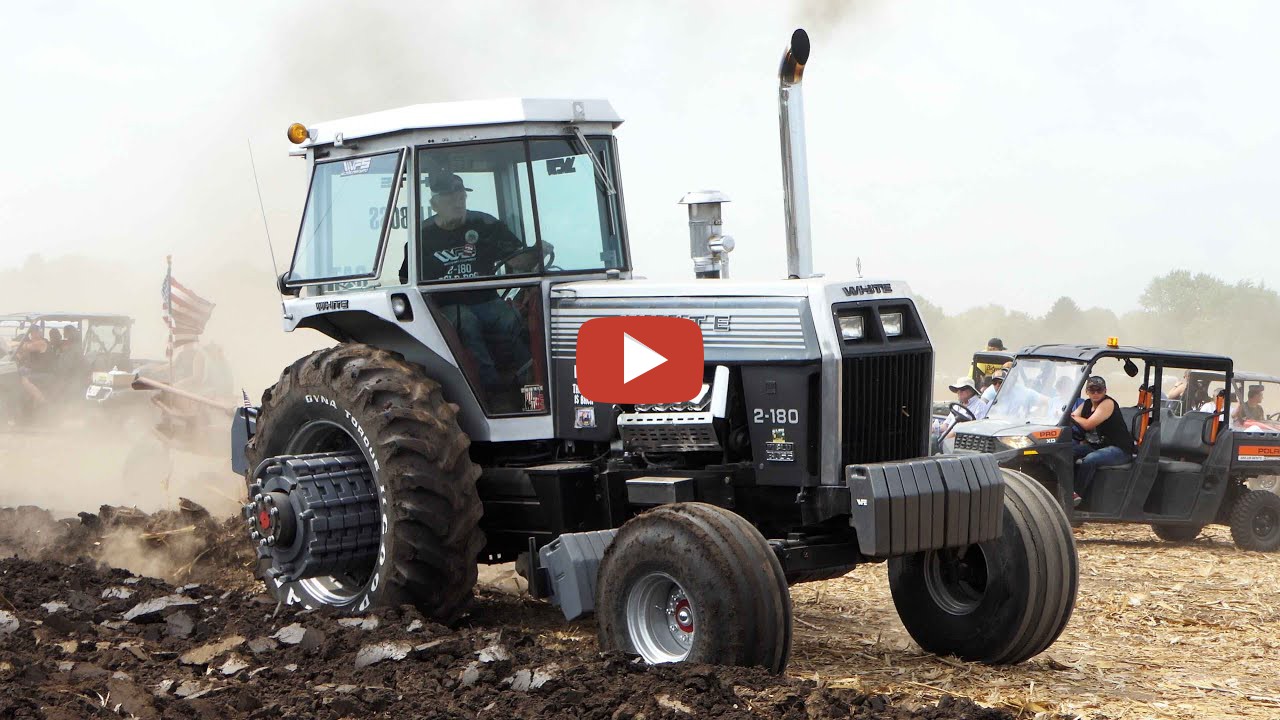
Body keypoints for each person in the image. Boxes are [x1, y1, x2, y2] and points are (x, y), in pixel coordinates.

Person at [413, 173, 534, 406]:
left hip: (486, 300)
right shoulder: (421, 236)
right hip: (446, 306)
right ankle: (491, 393)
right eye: (451, 197)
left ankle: (531, 389)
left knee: (510, 319)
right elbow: (406, 277)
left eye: (462, 196)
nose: (459, 202)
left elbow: (518, 260)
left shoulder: (485, 225)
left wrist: (535, 252)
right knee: (466, 322)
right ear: (435, 203)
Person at [1070, 375, 1136, 506]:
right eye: (1092, 390)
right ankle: (1066, 489)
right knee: (1066, 452)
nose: (1095, 393)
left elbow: (1088, 424)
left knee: (1090, 459)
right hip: (1097, 446)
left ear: (1105, 391)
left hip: (1119, 449)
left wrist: (1071, 417)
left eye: (1099, 390)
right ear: (1086, 392)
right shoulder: (1086, 404)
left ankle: (1077, 496)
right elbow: (1073, 418)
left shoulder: (1107, 403)